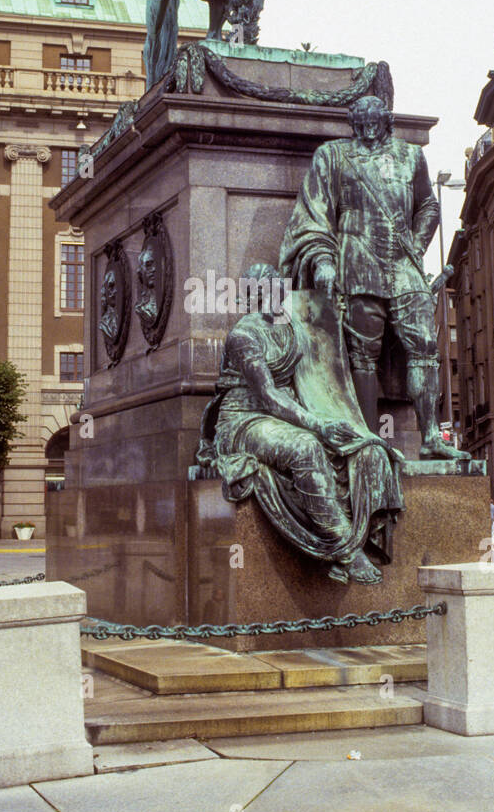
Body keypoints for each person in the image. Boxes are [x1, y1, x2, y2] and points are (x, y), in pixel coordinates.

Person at [279, 94, 470, 461]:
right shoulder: (332, 156)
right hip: (358, 260)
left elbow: (427, 204)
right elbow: (315, 213)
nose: (367, 132)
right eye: (360, 125)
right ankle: (368, 439)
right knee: (363, 353)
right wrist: (323, 261)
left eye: (373, 125)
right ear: (353, 124)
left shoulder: (410, 155)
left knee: (425, 346)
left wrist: (416, 241)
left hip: (402, 262)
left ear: (386, 122)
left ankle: (430, 437)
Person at [195, 263, 403, 585]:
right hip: (242, 421)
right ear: (255, 294)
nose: (280, 292)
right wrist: (319, 426)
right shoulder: (244, 335)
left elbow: (322, 373)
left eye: (280, 284)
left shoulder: (292, 329)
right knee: (305, 447)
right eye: (270, 287)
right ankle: (347, 552)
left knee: (366, 449)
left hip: (289, 416)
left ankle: (356, 534)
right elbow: (267, 395)